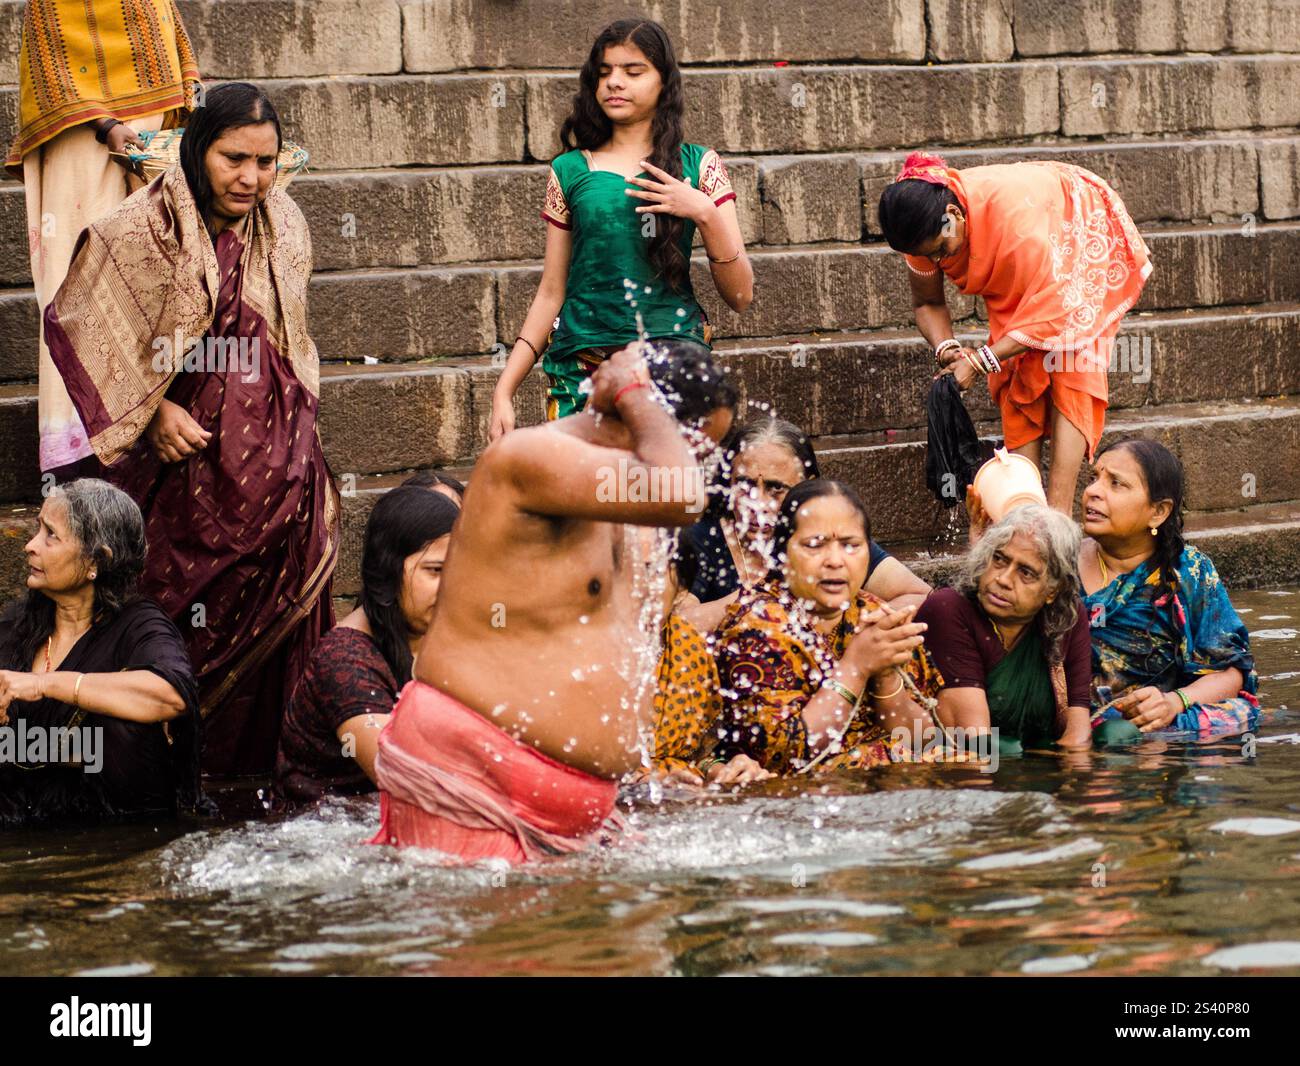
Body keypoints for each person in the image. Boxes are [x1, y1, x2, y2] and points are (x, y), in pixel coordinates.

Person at [44, 82, 340, 777]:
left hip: (277, 477)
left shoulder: (285, 225)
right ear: (199, 148)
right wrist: (151, 412)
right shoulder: (142, 228)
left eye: (266, 162)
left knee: (279, 632)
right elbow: (89, 323)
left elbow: (291, 346)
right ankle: (167, 770)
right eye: (234, 159)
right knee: (176, 623)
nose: (251, 178)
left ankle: (266, 777)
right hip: (180, 479)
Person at [371, 339, 737, 863]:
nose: (696, 463)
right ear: (634, 412)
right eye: (692, 446)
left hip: (577, 804)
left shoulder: (625, 501)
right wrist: (634, 388)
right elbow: (680, 490)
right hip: (476, 780)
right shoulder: (527, 458)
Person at [489, 18, 752, 434]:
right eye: (605, 72)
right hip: (582, 373)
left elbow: (740, 295)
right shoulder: (570, 169)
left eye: (633, 72)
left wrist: (704, 212)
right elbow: (552, 290)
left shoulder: (700, 166)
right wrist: (504, 389)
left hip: (672, 372)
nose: (615, 82)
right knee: (584, 496)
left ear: (664, 82)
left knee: (665, 495)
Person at [879, 152, 1152, 513]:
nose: (937, 263)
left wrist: (979, 363)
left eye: (941, 252)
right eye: (928, 257)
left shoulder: (1012, 223)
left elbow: (1057, 308)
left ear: (954, 216)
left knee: (1072, 358)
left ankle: (1057, 513)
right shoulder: (922, 233)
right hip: (1020, 261)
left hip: (1073, 222)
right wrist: (947, 348)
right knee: (1017, 367)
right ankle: (1025, 506)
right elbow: (927, 303)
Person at [8, 0, 201, 477]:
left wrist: (189, 93)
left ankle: (150, 422)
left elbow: (167, 34)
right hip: (83, 140)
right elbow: (52, 69)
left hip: (151, 141)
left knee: (152, 275)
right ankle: (80, 451)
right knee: (80, 279)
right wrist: (107, 126)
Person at [0, 480, 205, 825]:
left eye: (51, 535)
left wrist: (44, 685)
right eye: (38, 529)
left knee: (125, 718)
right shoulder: (19, 625)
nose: (30, 546)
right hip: (19, 823)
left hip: (115, 828)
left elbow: (171, 696)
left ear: (97, 560)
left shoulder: (138, 625)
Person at [712, 479, 941, 776]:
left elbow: (926, 741)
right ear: (782, 556)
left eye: (851, 545)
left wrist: (884, 677)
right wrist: (857, 667)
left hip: (886, 787)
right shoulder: (756, 626)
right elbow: (780, 759)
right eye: (814, 545)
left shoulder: (874, 616)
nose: (835, 561)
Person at [274, 488, 460, 807]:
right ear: (388, 571)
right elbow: (405, 778)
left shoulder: (446, 638)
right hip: (318, 842)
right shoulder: (344, 658)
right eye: (435, 571)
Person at [1079, 439, 1258, 743]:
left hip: (1157, 721)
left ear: (1158, 512)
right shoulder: (1057, 562)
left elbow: (1231, 672)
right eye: (1094, 478)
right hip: (1075, 719)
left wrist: (1174, 703)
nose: (1093, 491)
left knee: (1239, 713)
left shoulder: (1188, 572)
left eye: (1116, 483)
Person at [682, 417, 930, 626]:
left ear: (807, 487)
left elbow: (921, 596)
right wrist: (766, 593)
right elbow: (678, 623)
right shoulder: (702, 537)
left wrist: (856, 633)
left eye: (775, 488)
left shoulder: (824, 533)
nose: (757, 503)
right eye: (745, 486)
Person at [916, 505, 1094, 754]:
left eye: (1026, 572)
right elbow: (973, 739)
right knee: (1003, 749)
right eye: (999, 560)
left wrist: (1067, 786)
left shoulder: (1066, 617)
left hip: (1033, 762)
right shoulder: (948, 609)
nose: (1003, 579)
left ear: (1053, 590)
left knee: (1118, 734)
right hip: (962, 761)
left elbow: (1077, 730)